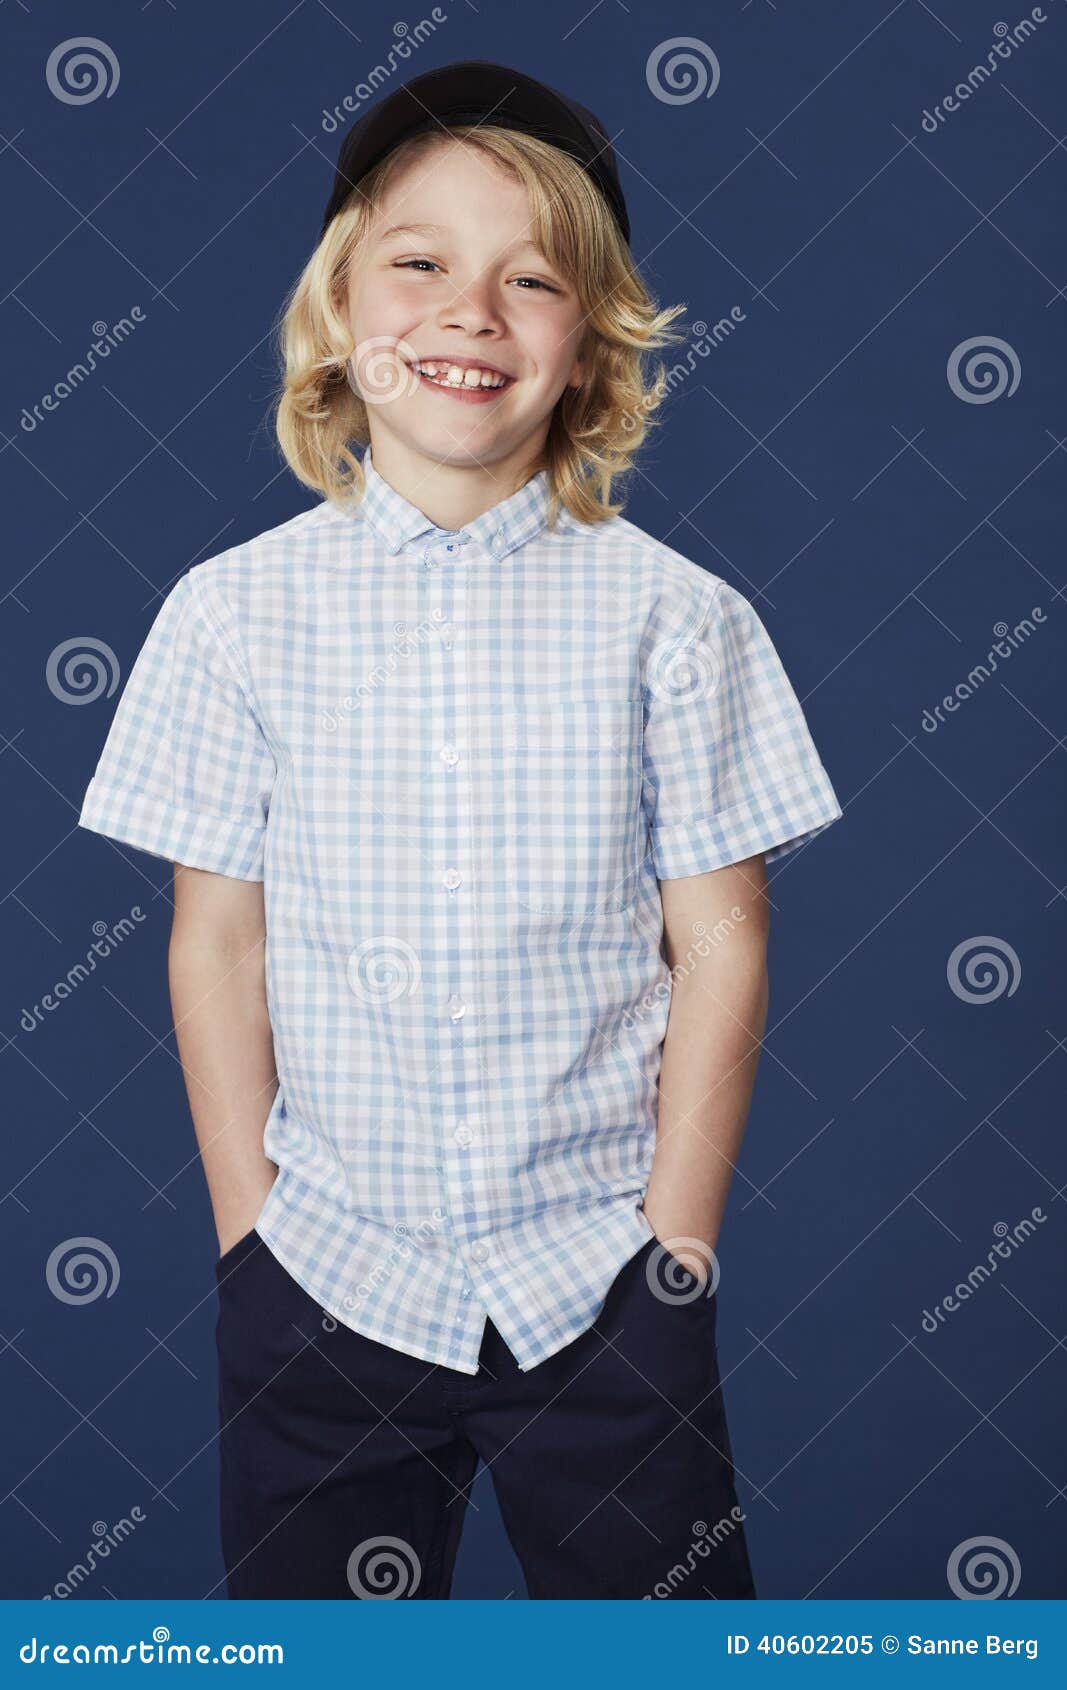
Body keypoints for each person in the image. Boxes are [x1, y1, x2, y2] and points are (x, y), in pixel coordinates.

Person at [77, 60, 843, 1600]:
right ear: (339, 313)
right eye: (419, 263)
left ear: (589, 343)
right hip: (328, 1279)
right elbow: (217, 937)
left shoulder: (679, 624)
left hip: (600, 1284)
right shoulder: (231, 618)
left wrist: (673, 1253)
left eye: (531, 279)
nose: (469, 313)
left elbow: (723, 943)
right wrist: (253, 1240)